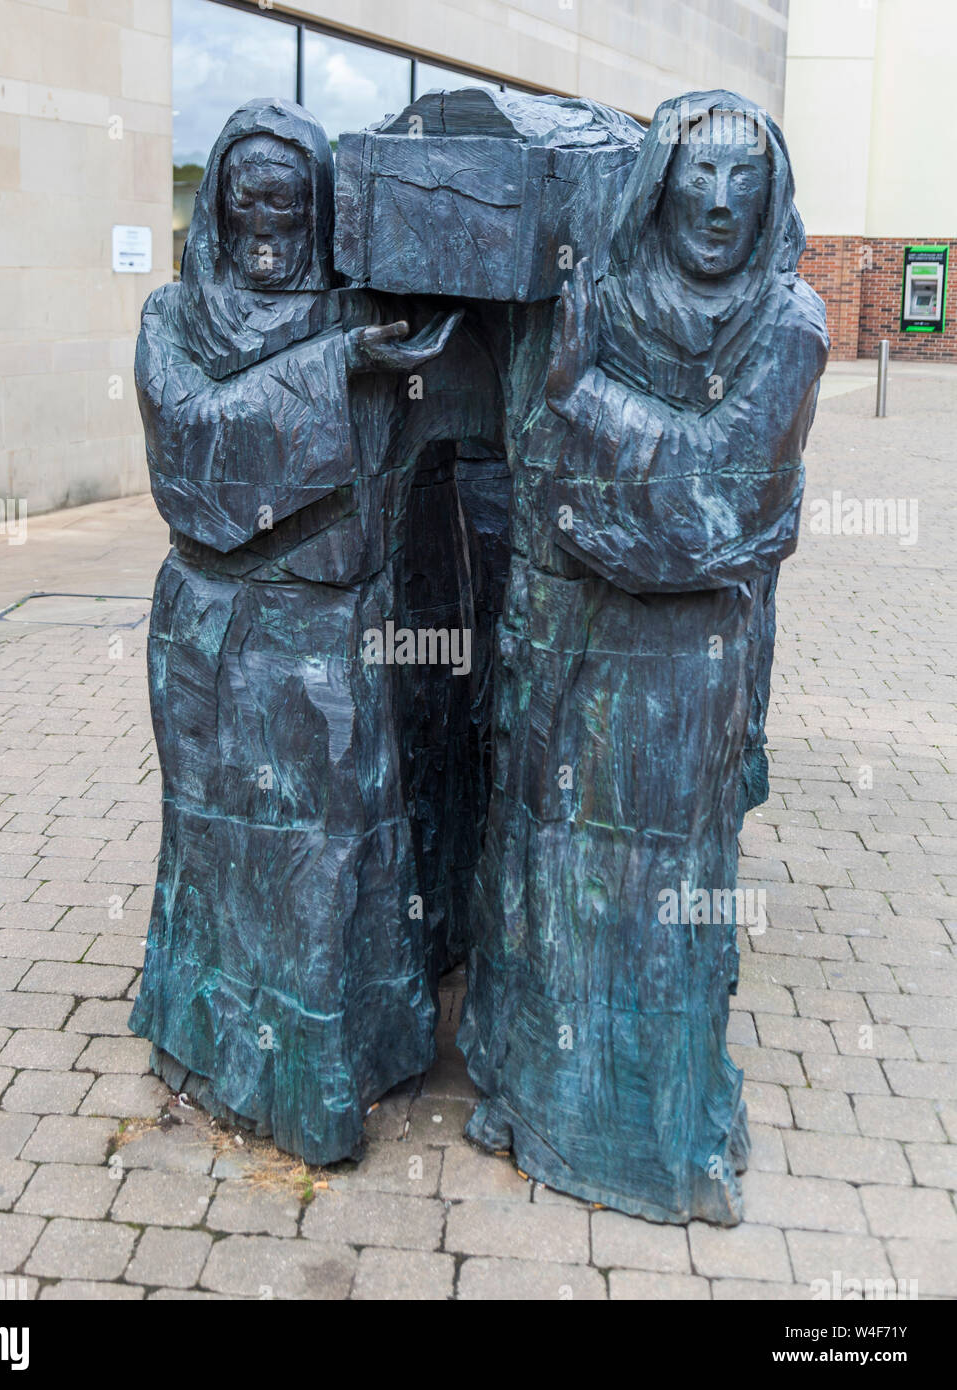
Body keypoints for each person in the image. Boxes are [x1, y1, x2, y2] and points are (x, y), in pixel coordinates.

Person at [459, 91, 828, 1223]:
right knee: (561, 870)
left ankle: (654, 1130)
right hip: (583, 645)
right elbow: (552, 493)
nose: (717, 200)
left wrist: (589, 401)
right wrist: (615, 500)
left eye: (741, 177)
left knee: (666, 889)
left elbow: (722, 494)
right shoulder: (600, 299)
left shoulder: (789, 324)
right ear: (659, 182)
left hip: (691, 659)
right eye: (697, 173)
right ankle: (545, 1097)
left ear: (769, 193)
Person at [129, 99, 459, 1165]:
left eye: (288, 198)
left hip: (326, 629)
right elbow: (196, 455)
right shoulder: (170, 321)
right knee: (223, 854)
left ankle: (340, 1050)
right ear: (218, 202)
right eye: (247, 194)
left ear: (318, 210)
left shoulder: (365, 313)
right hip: (214, 632)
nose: (267, 218)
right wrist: (333, 371)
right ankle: (213, 1038)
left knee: (331, 859)